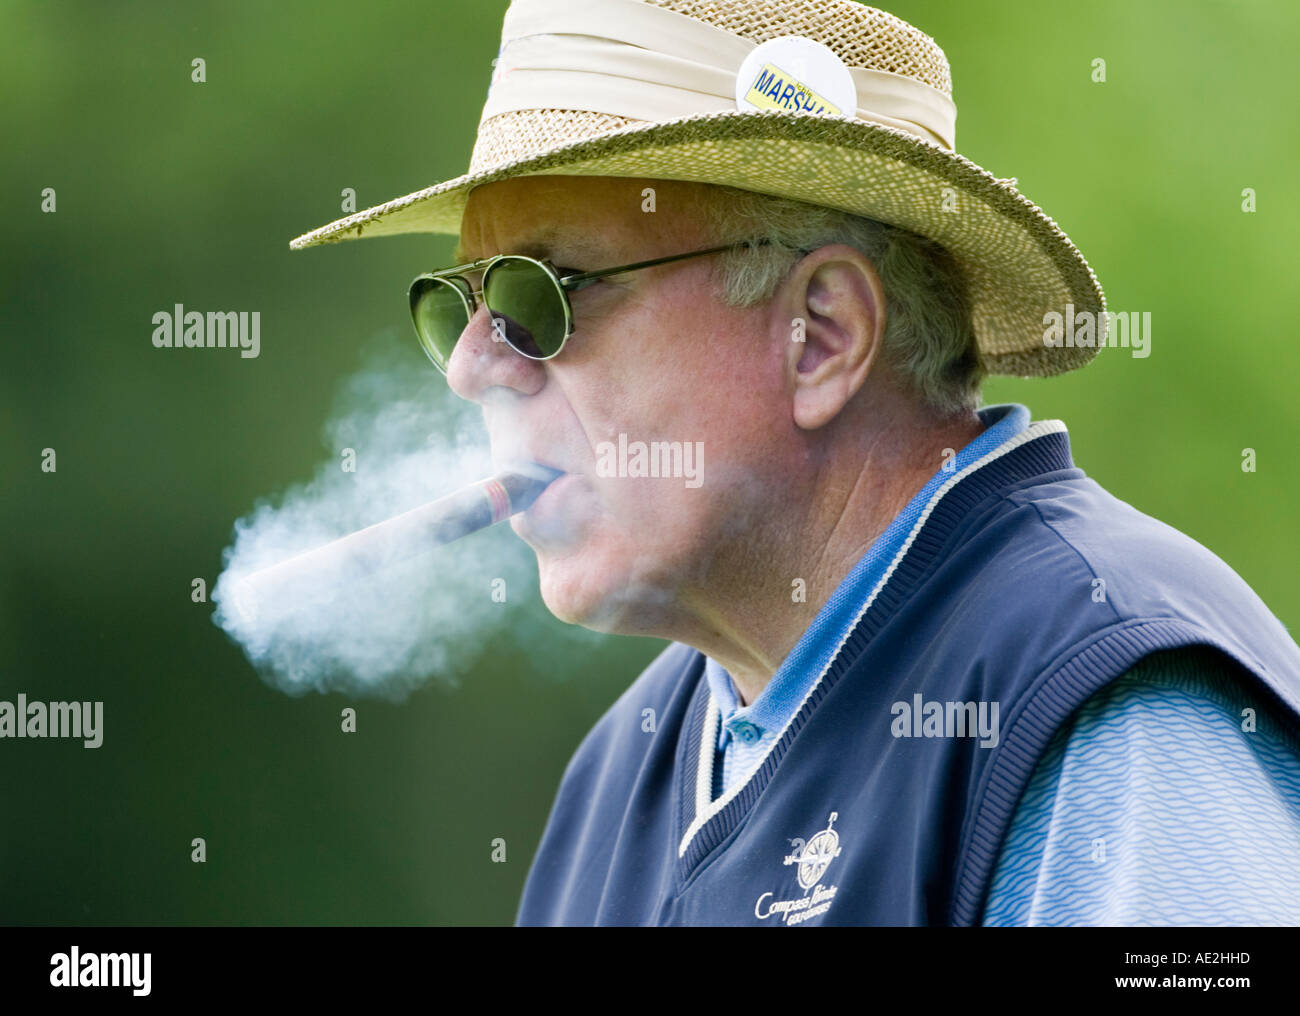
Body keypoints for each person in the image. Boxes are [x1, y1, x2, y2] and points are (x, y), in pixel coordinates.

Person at [290, 0, 1300, 925]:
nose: (473, 366)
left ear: (820, 335)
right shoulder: (619, 774)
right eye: (460, 306)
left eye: (542, 294)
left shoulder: (1097, 701)